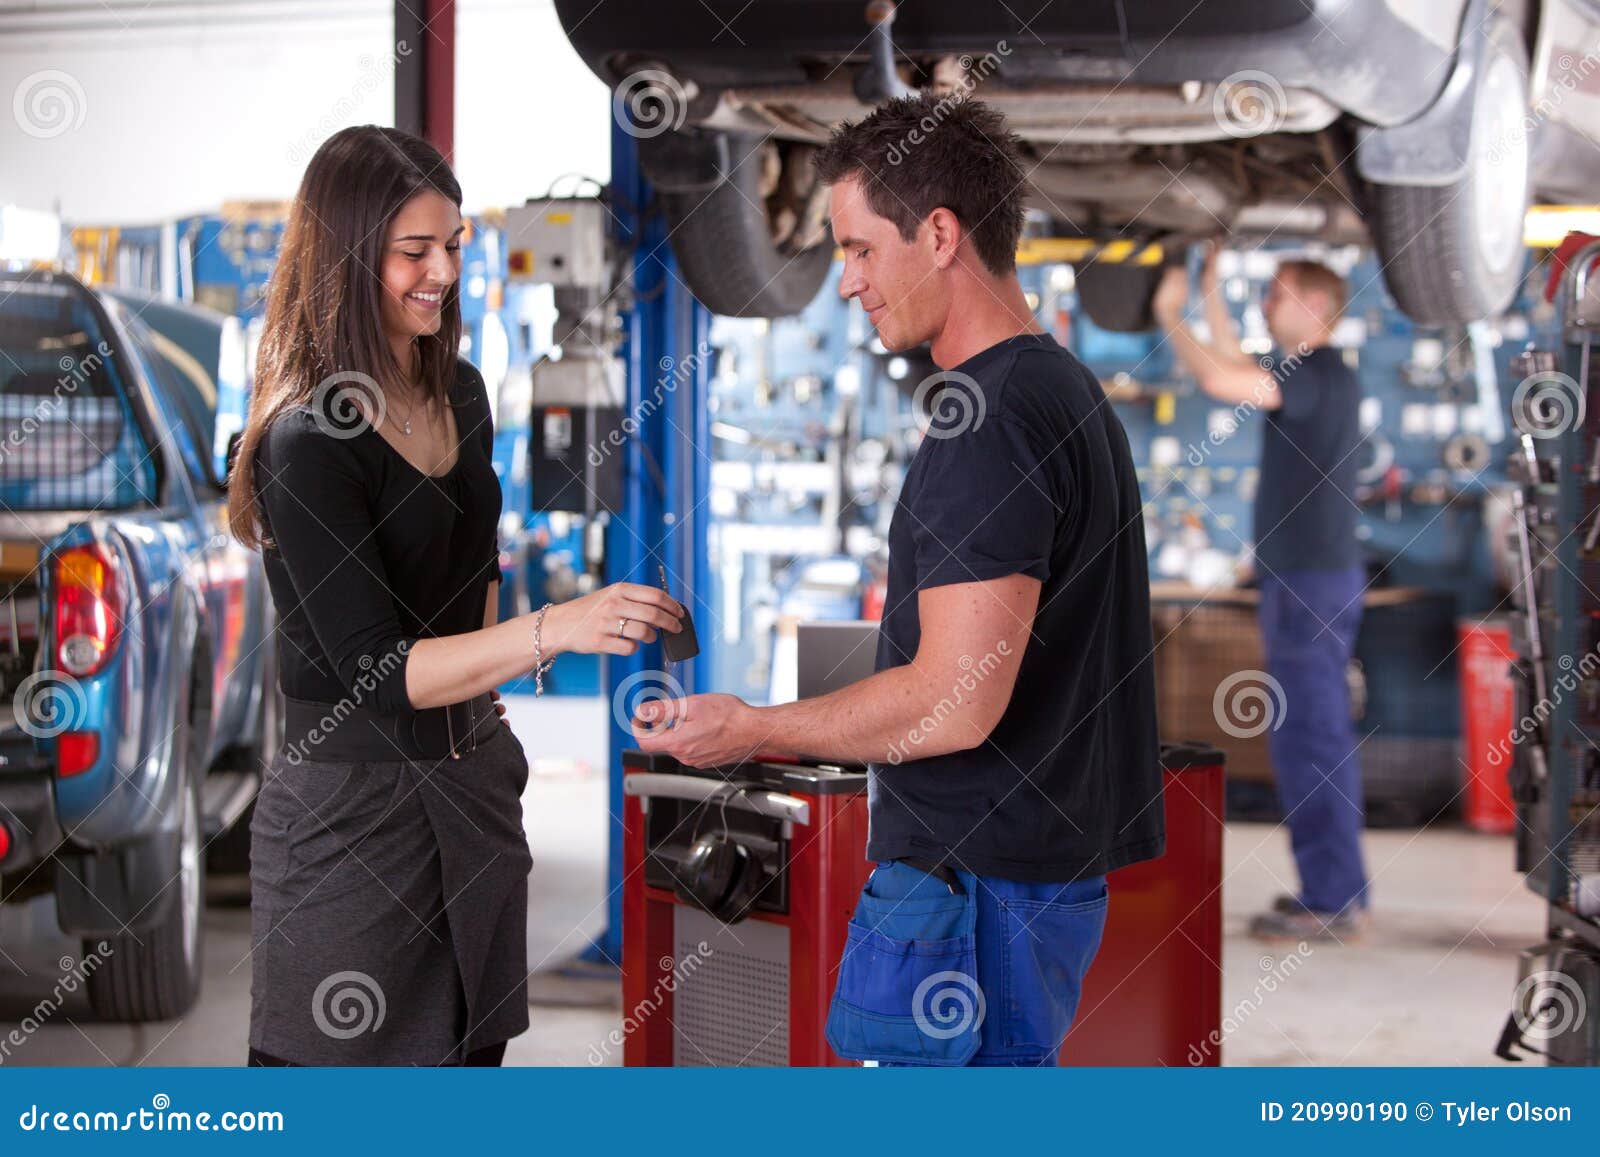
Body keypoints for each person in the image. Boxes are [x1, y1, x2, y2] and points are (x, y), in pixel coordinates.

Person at [633, 96, 1161, 1066]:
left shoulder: (989, 421)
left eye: (861, 250)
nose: (844, 283)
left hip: (976, 892)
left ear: (940, 234)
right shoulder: (1061, 391)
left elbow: (952, 703)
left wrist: (753, 725)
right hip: (1022, 878)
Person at [227, 125, 684, 1066]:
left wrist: (486, 723)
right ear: (351, 258)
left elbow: (473, 580)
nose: (443, 270)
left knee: (467, 1064)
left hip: (468, 789)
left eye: (454, 244)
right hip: (350, 819)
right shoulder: (308, 442)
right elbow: (377, 672)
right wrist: (561, 625)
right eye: (414, 251)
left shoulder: (462, 393)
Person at [1153, 248, 1371, 942]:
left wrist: (1168, 316)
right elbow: (1235, 359)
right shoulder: (1312, 373)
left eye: (1275, 297)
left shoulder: (1320, 370)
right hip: (1302, 581)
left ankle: (1334, 899)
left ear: (1312, 305)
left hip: (1309, 586)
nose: (1266, 308)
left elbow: (1221, 376)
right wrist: (1210, 293)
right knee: (1307, 733)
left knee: (1311, 736)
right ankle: (1332, 889)